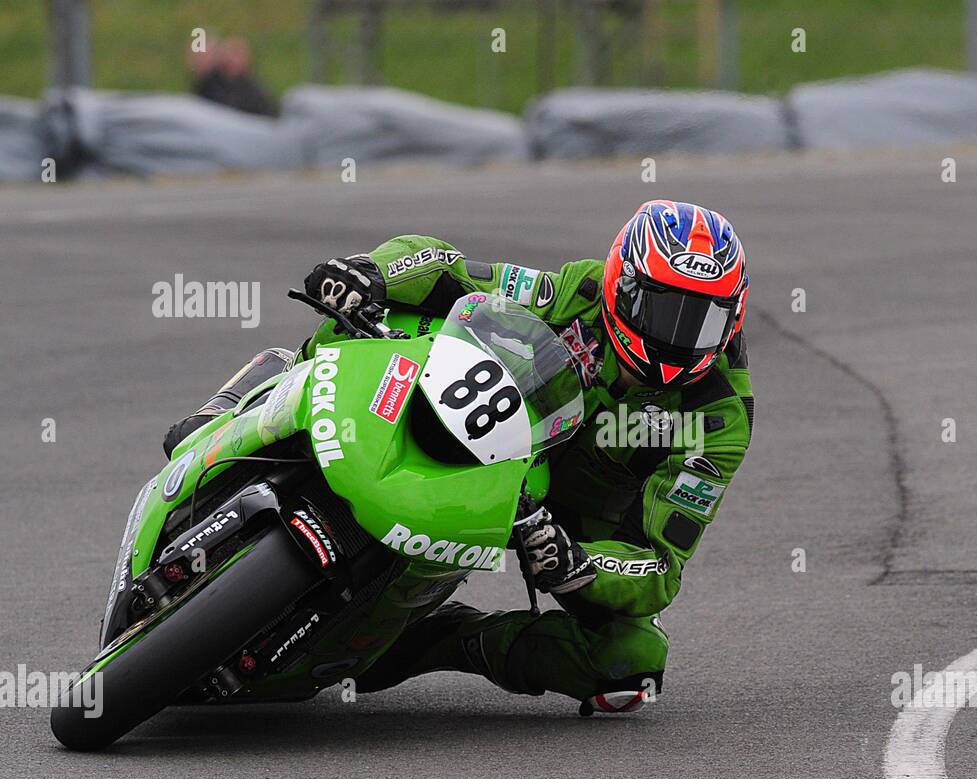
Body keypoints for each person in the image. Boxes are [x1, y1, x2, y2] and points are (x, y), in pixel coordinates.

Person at [164, 200, 754, 715]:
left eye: (702, 320)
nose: (679, 338)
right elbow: (449, 269)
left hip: (561, 521)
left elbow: (659, 564)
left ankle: (445, 639)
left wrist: (579, 564)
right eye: (664, 311)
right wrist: (372, 273)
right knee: (396, 312)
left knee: (631, 662)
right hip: (493, 433)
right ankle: (242, 401)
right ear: (621, 286)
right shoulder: (579, 294)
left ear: (733, 319)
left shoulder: (719, 417)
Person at [191, 36, 278, 117]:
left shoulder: (255, 92)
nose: (234, 60)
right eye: (231, 55)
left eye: (238, 56)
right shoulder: (210, 86)